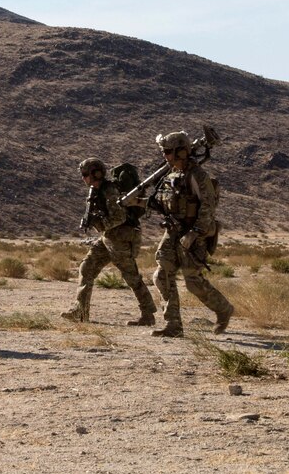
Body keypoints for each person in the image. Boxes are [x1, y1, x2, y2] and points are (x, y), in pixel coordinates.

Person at [149, 131, 234, 337]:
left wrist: (195, 233)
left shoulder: (197, 176)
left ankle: (223, 309)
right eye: (164, 152)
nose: (165, 156)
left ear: (182, 152)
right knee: (162, 275)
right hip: (174, 231)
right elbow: (164, 202)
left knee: (193, 282)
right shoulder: (171, 175)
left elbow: (208, 208)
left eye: (169, 151)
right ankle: (173, 325)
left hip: (194, 235)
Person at [61, 158, 157, 326]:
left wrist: (99, 224)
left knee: (131, 276)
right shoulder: (96, 191)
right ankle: (81, 312)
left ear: (95, 174)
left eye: (85, 174)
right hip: (110, 236)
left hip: (121, 236)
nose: (83, 178)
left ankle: (148, 314)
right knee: (87, 267)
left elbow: (120, 217)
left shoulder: (109, 191)